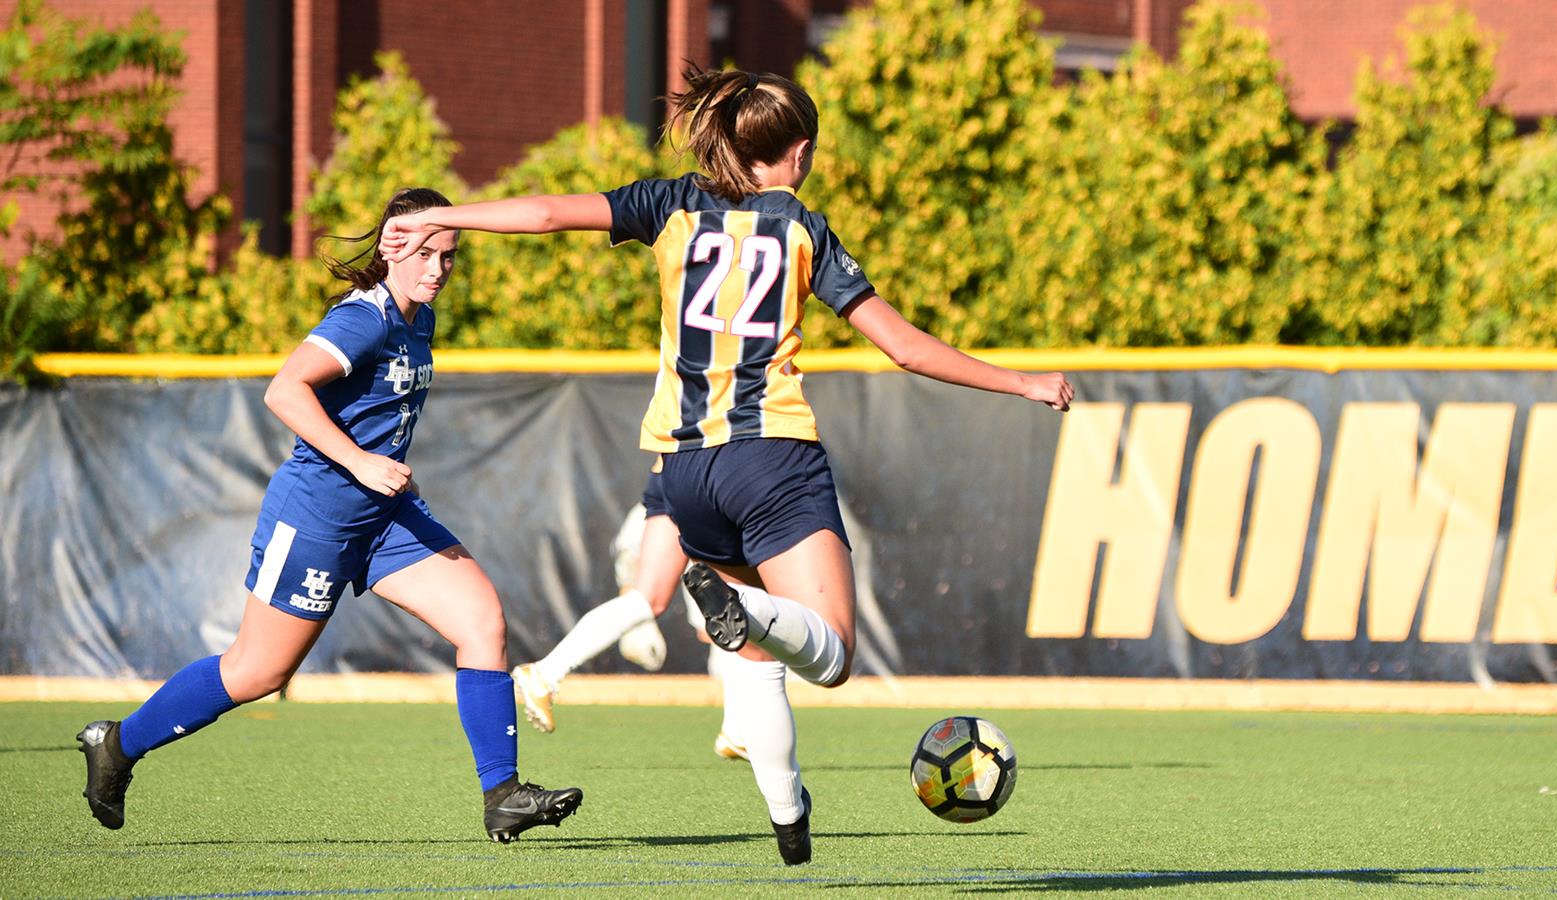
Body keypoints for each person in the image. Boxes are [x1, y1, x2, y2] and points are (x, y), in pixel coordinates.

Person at [380, 67, 1073, 865]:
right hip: (772, 461)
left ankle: (789, 818)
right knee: (834, 655)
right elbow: (905, 347)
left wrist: (443, 216)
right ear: (799, 151)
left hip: (684, 476)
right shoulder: (806, 229)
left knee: (751, 657)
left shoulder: (669, 205)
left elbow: (543, 214)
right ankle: (755, 653)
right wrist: (1022, 380)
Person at [75, 188, 584, 844]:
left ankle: (503, 794)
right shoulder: (363, 319)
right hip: (316, 518)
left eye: (449, 255)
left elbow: (380, 409)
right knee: (257, 672)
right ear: (392, 245)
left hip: (386, 519)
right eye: (425, 252)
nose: (438, 268)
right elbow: (284, 389)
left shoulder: (418, 317)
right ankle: (117, 744)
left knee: (482, 619)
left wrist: (386, 465)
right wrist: (360, 461)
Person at [511, 471, 751, 764]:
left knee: (660, 601)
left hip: (681, 477)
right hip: (707, 479)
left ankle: (545, 673)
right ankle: (739, 729)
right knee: (734, 605)